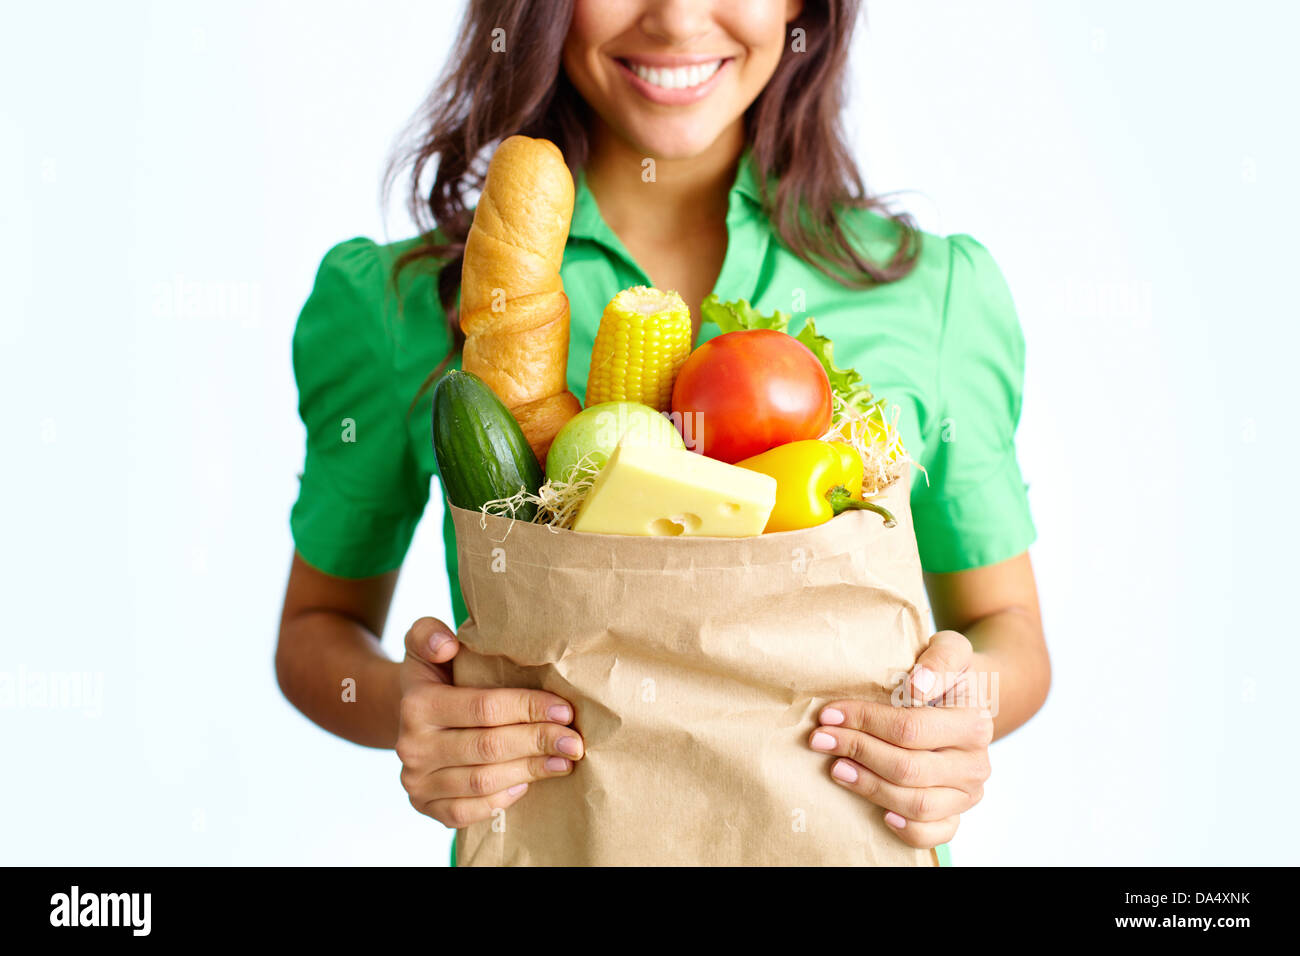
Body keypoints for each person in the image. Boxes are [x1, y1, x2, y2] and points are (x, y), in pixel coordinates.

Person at [276, 0, 1049, 864]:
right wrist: (406, 710)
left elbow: (1008, 626)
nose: (679, 21)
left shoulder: (933, 296)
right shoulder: (401, 304)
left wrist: (956, 713)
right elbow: (316, 627)